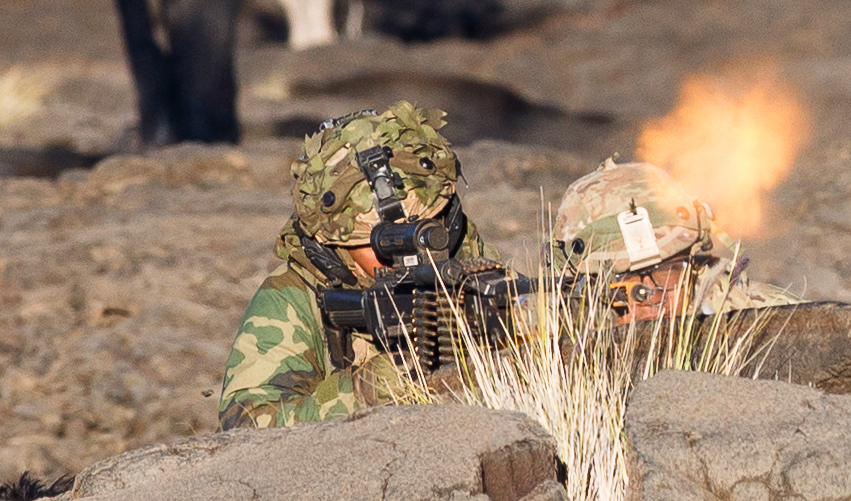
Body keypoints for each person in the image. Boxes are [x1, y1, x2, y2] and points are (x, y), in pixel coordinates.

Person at [219, 102, 494, 429]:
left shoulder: (461, 251)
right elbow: (245, 424)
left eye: (426, 228)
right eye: (382, 240)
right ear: (335, 244)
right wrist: (367, 389)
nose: (407, 250)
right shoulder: (293, 297)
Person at [553, 158, 799, 322]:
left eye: (667, 274)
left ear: (693, 266)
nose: (652, 296)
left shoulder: (764, 317)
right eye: (625, 282)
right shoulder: (557, 334)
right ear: (587, 288)